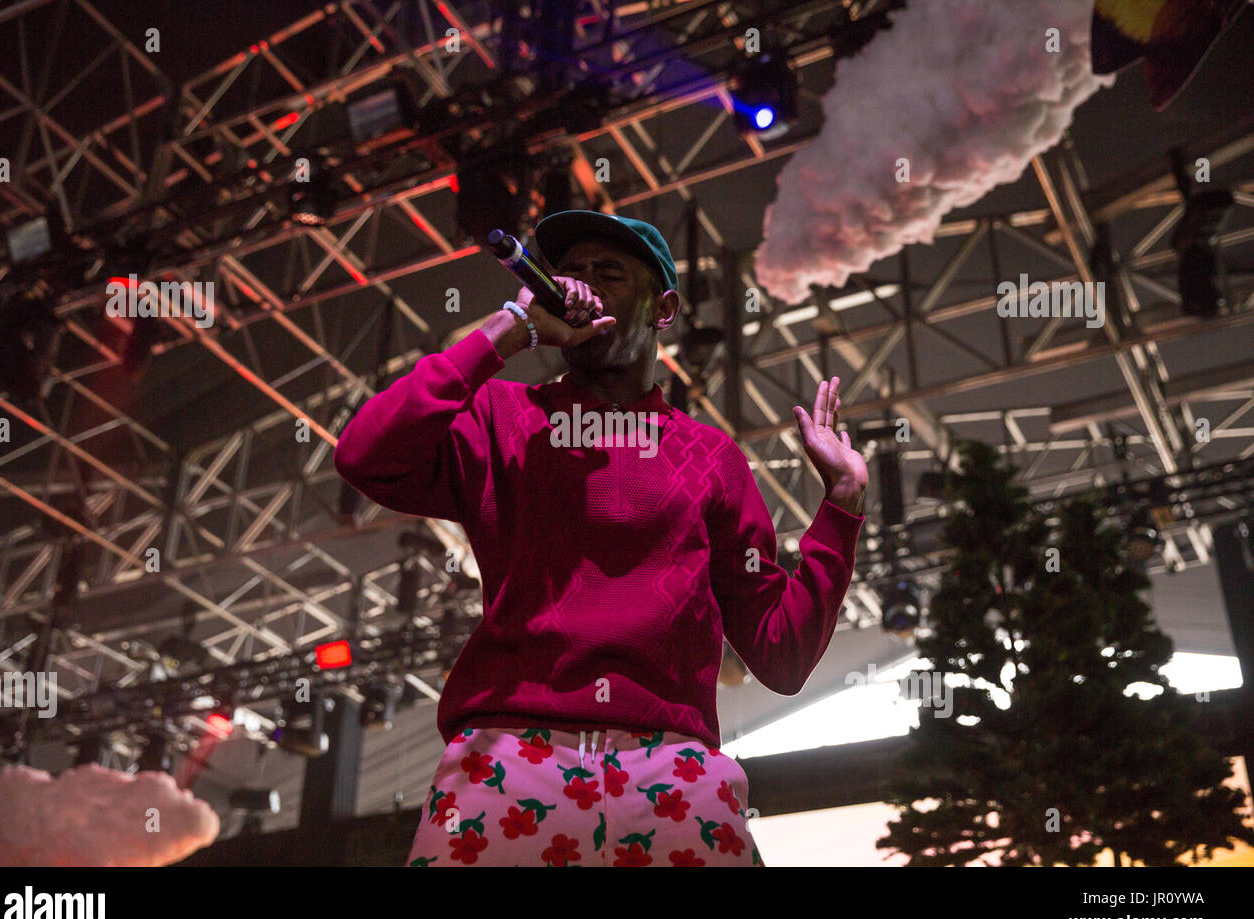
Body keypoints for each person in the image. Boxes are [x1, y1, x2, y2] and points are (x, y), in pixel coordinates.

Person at [334, 210, 868, 866]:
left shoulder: (710, 457)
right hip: (509, 754)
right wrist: (510, 329)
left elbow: (782, 657)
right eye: (570, 273)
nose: (582, 286)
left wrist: (842, 505)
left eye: (608, 273)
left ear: (663, 308)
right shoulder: (503, 417)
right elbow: (365, 456)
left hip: (672, 767)